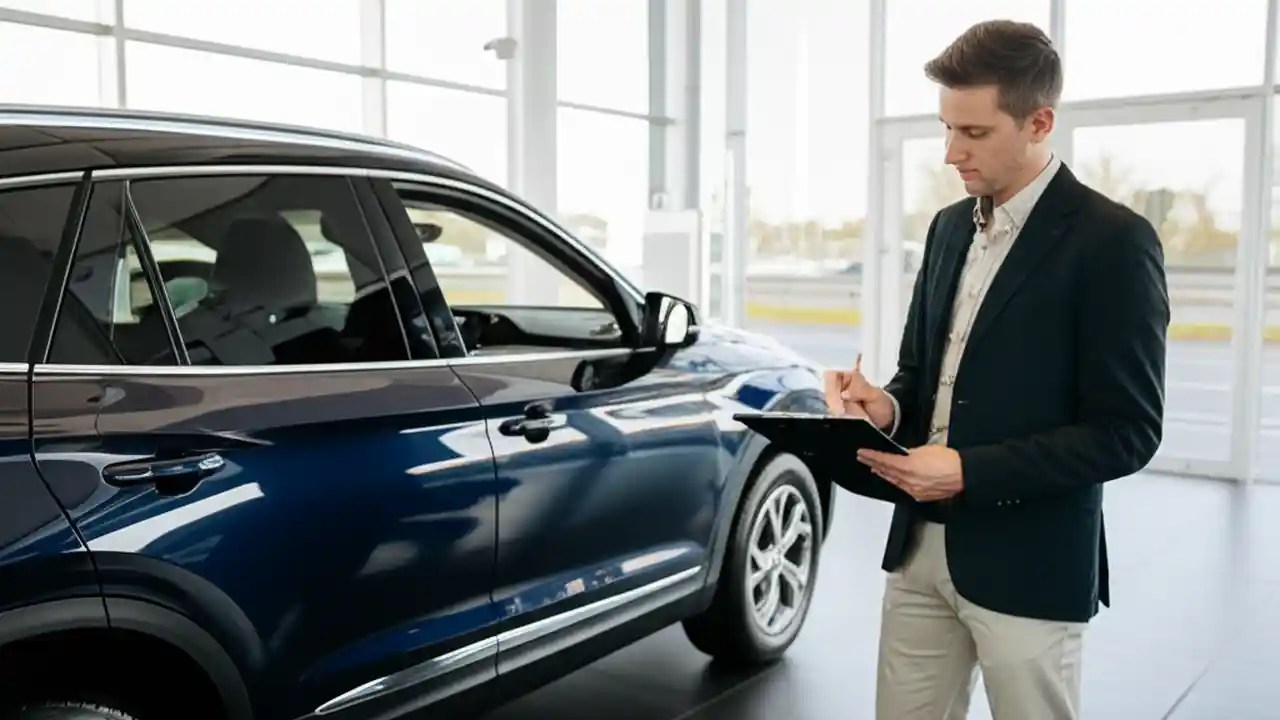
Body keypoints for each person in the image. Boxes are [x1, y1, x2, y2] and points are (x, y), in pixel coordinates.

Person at [824, 20, 1170, 720]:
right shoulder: (949, 227)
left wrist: (969, 471)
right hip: (919, 549)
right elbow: (919, 375)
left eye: (974, 134)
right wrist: (884, 409)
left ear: (1039, 121)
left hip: (1030, 564)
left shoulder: (1113, 243)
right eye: (947, 129)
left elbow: (1127, 432)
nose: (951, 152)